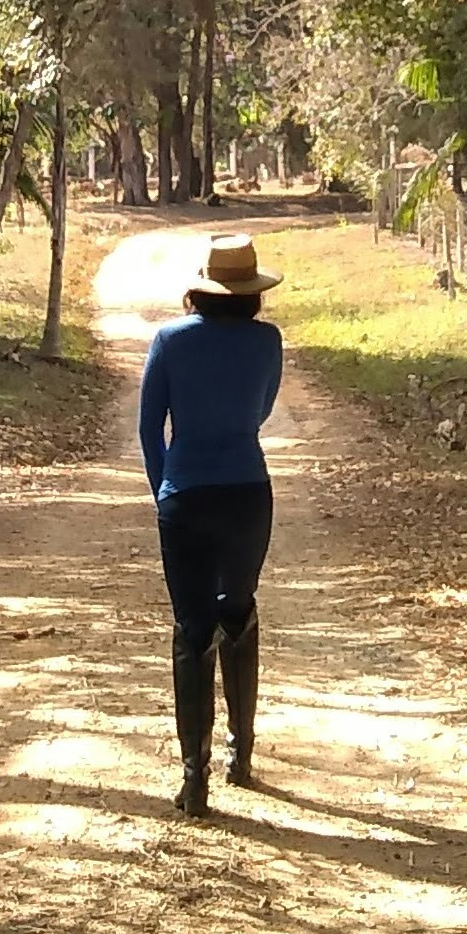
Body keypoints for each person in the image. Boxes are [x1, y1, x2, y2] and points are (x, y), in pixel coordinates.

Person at [137, 230, 283, 819]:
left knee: (192, 627)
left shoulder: (170, 340)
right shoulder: (267, 341)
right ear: (253, 292)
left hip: (185, 499)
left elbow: (150, 428)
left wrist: (164, 489)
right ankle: (241, 755)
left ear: (200, 289)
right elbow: (260, 411)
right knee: (238, 609)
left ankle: (194, 781)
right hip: (248, 492)